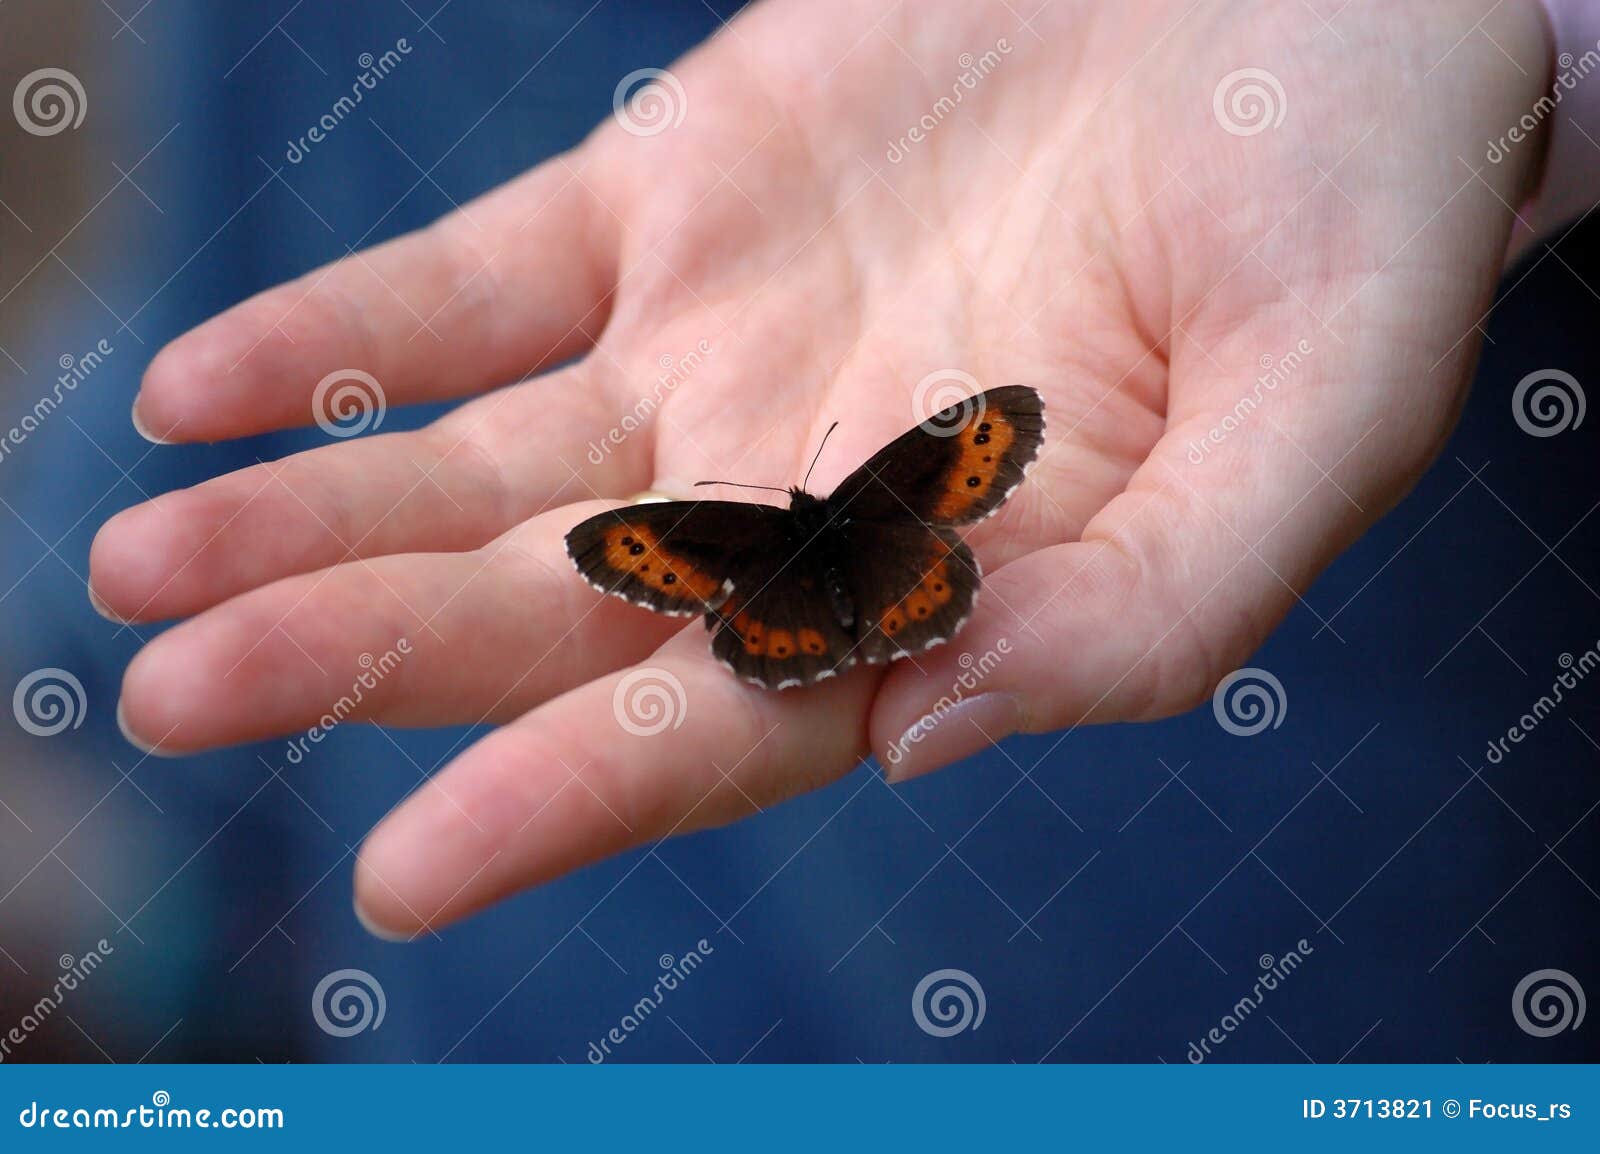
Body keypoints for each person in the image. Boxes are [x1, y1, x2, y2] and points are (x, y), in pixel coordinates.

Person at [87, 0, 1596, 947]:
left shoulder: (700, 537)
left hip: (1425, 528)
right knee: (327, 646)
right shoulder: (904, 483)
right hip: (442, 58)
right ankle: (220, 932)